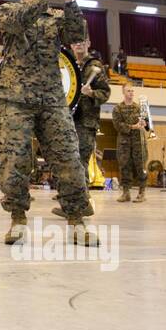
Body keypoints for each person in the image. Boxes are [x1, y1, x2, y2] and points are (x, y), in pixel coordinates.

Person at [0, 0, 97, 246]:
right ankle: (17, 218)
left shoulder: (56, 16)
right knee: (14, 162)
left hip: (52, 99)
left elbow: (76, 34)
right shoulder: (8, 10)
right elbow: (19, 22)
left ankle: (76, 219)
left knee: (69, 160)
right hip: (16, 98)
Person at [68, 37, 108, 211]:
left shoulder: (95, 66)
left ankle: (82, 203)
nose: (78, 45)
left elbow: (105, 93)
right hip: (67, 120)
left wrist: (91, 93)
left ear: (88, 43)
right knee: (69, 161)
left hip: (86, 121)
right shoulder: (67, 65)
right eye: (75, 42)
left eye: (82, 41)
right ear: (71, 45)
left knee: (80, 161)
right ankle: (72, 200)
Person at [112, 86, 148, 203]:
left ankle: (142, 193)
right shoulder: (118, 108)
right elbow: (117, 125)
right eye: (128, 91)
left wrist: (145, 123)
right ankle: (126, 193)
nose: (131, 93)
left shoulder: (139, 108)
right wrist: (132, 127)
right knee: (124, 166)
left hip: (138, 142)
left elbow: (147, 124)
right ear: (123, 92)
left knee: (141, 166)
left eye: (132, 91)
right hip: (124, 143)